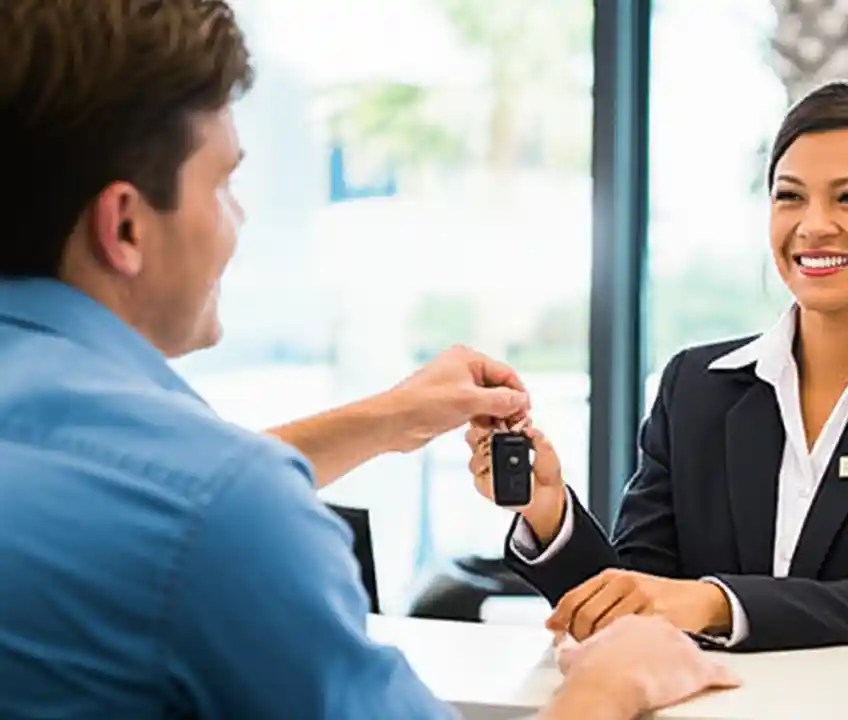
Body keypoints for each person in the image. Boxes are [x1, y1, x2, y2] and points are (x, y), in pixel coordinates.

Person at [0, 2, 735, 718]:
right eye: (223, 184)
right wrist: (612, 683)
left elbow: (136, 492)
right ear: (124, 225)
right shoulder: (222, 513)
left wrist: (388, 419)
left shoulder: (129, 479)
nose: (240, 219)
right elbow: (192, 509)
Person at [468, 80, 848, 653]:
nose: (813, 225)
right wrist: (548, 510)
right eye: (790, 196)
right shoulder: (696, 386)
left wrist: (716, 603)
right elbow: (634, 600)